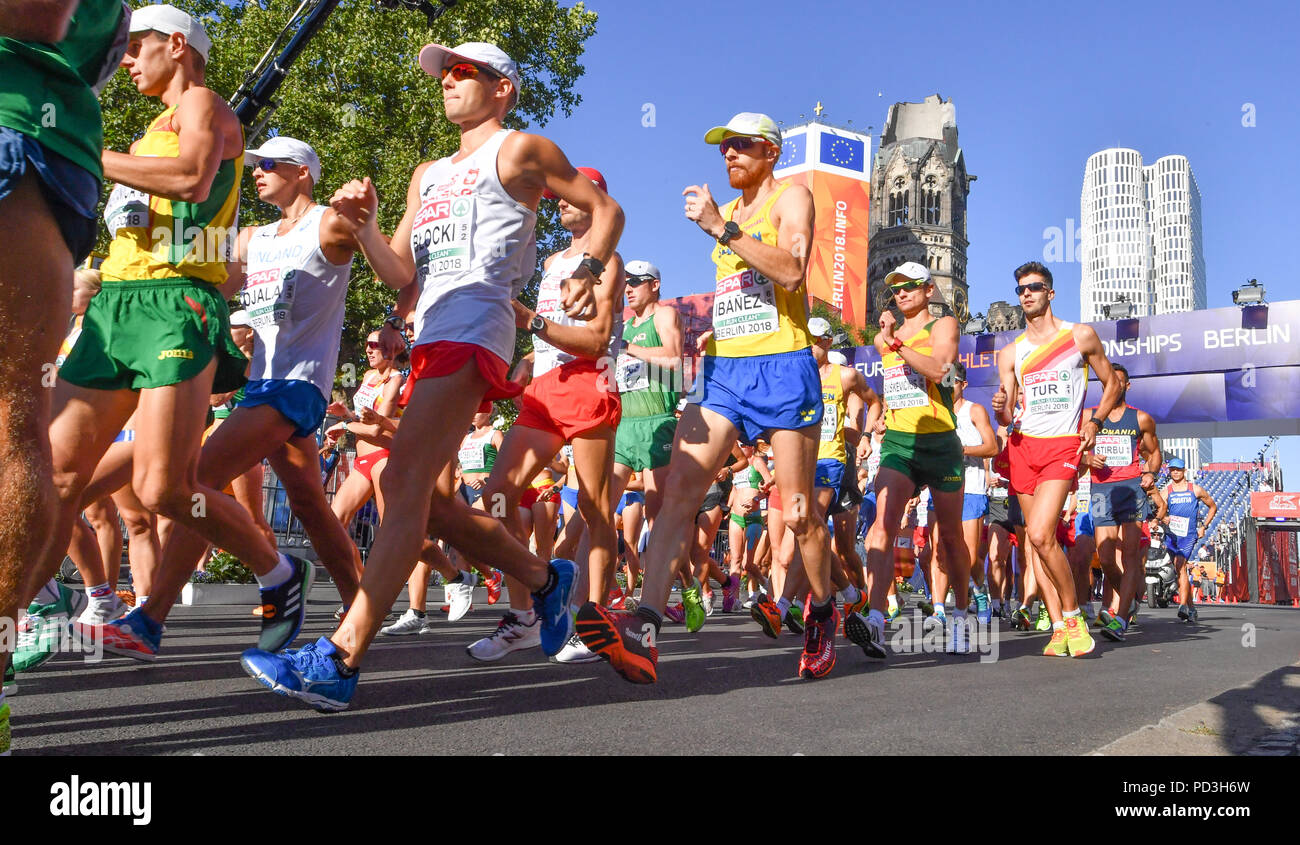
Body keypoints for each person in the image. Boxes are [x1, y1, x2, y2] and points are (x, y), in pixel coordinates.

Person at [241, 41, 621, 710]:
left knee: (404, 483)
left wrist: (589, 270)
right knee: (436, 503)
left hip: (478, 326)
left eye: (463, 71)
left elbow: (608, 213)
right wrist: (363, 227)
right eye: (443, 73)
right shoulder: (427, 172)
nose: (447, 81)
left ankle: (342, 657)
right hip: (431, 335)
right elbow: (400, 274)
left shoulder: (521, 150)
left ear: (503, 88)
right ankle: (544, 578)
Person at [33, 7, 315, 664]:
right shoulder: (147, 132)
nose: (126, 61)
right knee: (55, 477)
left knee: (164, 489)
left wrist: (89, 153)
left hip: (174, 303)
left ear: (178, 45)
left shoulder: (205, 105)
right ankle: (31, 610)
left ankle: (278, 572)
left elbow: (191, 177)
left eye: (136, 47)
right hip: (116, 305)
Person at [85, 135, 372, 659]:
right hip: (257, 385)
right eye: (254, 164)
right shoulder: (250, 238)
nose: (257, 171)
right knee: (311, 506)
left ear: (303, 172)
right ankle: (361, 613)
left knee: (198, 480)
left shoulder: (328, 223)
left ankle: (151, 619)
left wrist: (369, 224)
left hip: (298, 385)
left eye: (270, 164)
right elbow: (212, 287)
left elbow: (390, 263)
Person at [575, 112, 832, 682]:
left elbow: (792, 273)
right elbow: (742, 292)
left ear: (770, 151)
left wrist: (723, 228)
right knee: (678, 497)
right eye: (723, 147)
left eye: (741, 145)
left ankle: (821, 610)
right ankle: (645, 627)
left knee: (798, 513)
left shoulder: (791, 197)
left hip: (783, 368)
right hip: (723, 374)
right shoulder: (729, 212)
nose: (729, 154)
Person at [0, 0, 130, 751]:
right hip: (41, 133)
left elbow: (39, 16)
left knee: (150, 492)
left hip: (21, 124)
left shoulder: (207, 118)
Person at [474, 165, 625, 665]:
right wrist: (525, 361)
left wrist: (532, 322)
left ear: (596, 200)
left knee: (594, 509)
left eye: (572, 193)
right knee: (497, 496)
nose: (561, 199)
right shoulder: (551, 261)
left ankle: (594, 619)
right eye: (558, 193)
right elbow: (550, 334)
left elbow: (596, 340)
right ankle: (525, 613)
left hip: (589, 383)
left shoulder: (608, 262)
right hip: (545, 390)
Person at [991, 261, 1122, 658]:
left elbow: (1111, 384)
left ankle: (1073, 615)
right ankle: (1059, 626)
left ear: (1050, 293)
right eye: (1021, 289)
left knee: (1040, 533)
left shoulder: (1079, 335)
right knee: (1036, 544)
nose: (1026, 294)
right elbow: (1008, 415)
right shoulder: (1011, 352)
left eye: (1034, 287)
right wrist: (1001, 408)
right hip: (1023, 446)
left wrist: (1095, 422)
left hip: (1062, 446)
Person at [848, 261, 971, 659]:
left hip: (939, 442)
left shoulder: (943, 326)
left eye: (910, 286)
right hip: (899, 444)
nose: (901, 293)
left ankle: (961, 617)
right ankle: (876, 619)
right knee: (880, 528)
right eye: (896, 288)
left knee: (949, 537)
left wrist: (896, 344)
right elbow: (896, 388)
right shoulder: (885, 337)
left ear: (929, 290)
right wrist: (879, 421)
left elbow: (939, 371)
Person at [1080, 363, 1160, 641]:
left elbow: (1154, 452)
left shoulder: (1140, 418)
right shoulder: (1088, 417)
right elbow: (1071, 450)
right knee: (1105, 558)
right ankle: (1131, 599)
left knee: (1129, 555)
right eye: (1107, 382)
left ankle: (1121, 618)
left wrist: (1150, 473)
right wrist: (1087, 459)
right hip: (1101, 491)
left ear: (1127, 386)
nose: (1113, 386)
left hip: (1131, 490)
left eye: (1119, 382)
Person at [950, 362, 998, 624]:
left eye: (953, 381)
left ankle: (980, 593)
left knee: (969, 555)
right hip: (943, 488)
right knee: (944, 552)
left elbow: (992, 447)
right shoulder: (937, 412)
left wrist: (962, 450)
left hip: (972, 488)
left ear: (964, 384)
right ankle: (952, 604)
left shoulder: (974, 410)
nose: (948, 386)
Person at [1153, 457, 1216, 623]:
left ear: (1184, 471)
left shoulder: (1195, 489)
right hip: (1172, 536)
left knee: (1180, 565)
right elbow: (1157, 509)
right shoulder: (1167, 491)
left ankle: (1182, 606)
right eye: (1172, 469)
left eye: (1178, 470)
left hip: (1188, 535)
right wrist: (1163, 518)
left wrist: (1204, 526)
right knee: (1178, 570)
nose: (1175, 472)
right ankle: (1192, 609)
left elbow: (1212, 506)